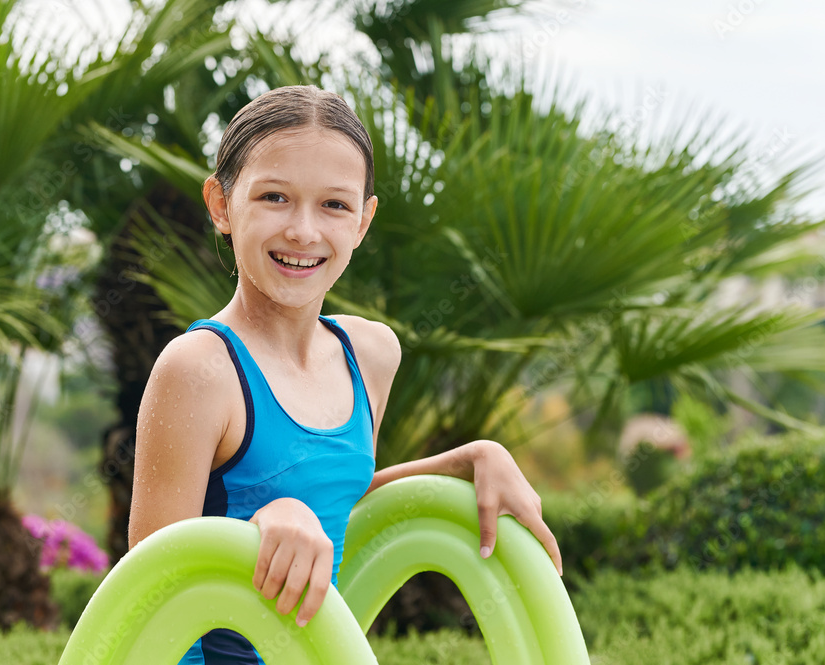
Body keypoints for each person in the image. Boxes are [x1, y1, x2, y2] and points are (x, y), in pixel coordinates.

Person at [126, 85, 562, 665]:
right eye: (275, 197)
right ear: (222, 204)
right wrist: (264, 524)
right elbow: (148, 597)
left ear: (363, 219)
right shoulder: (200, 370)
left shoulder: (370, 353)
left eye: (334, 205)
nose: (304, 231)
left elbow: (336, 504)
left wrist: (464, 459)